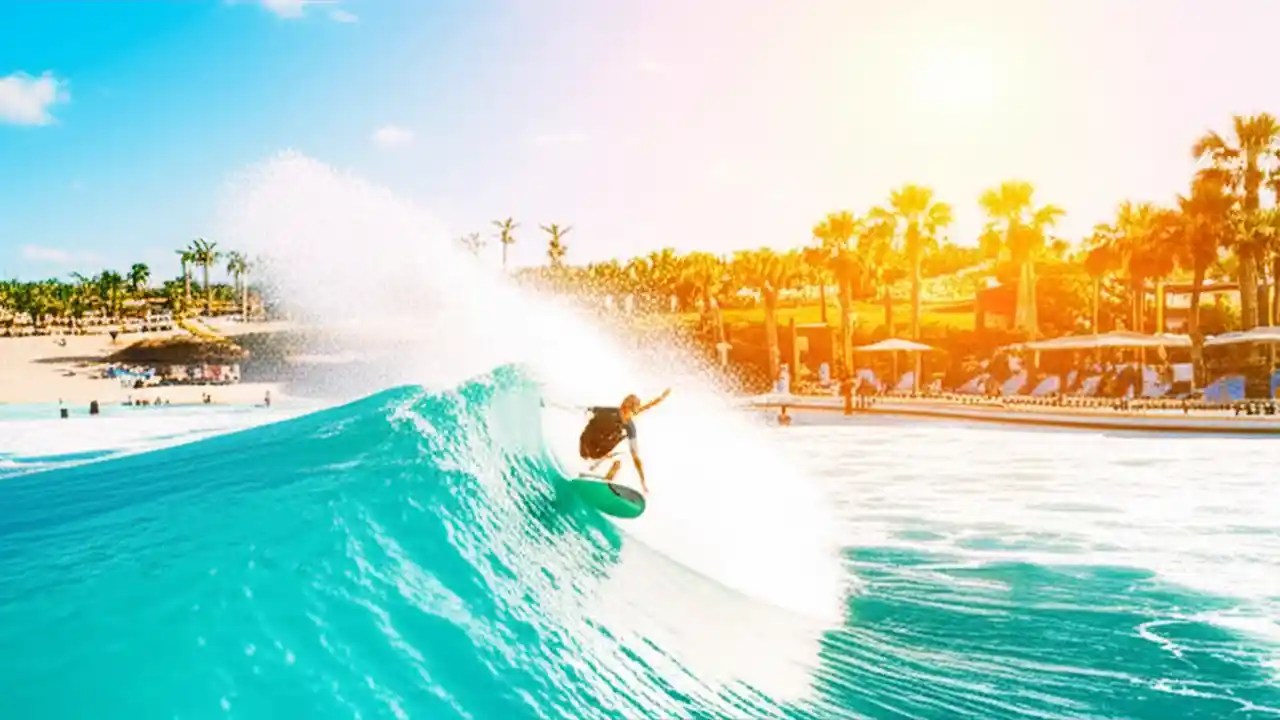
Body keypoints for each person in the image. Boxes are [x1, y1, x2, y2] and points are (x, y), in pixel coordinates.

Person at [578, 389, 670, 493]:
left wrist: (642, 481)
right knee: (621, 456)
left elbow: (635, 458)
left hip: (593, 451)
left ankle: (599, 478)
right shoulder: (612, 414)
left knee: (621, 456)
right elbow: (587, 410)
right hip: (586, 448)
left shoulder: (627, 425)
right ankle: (598, 477)